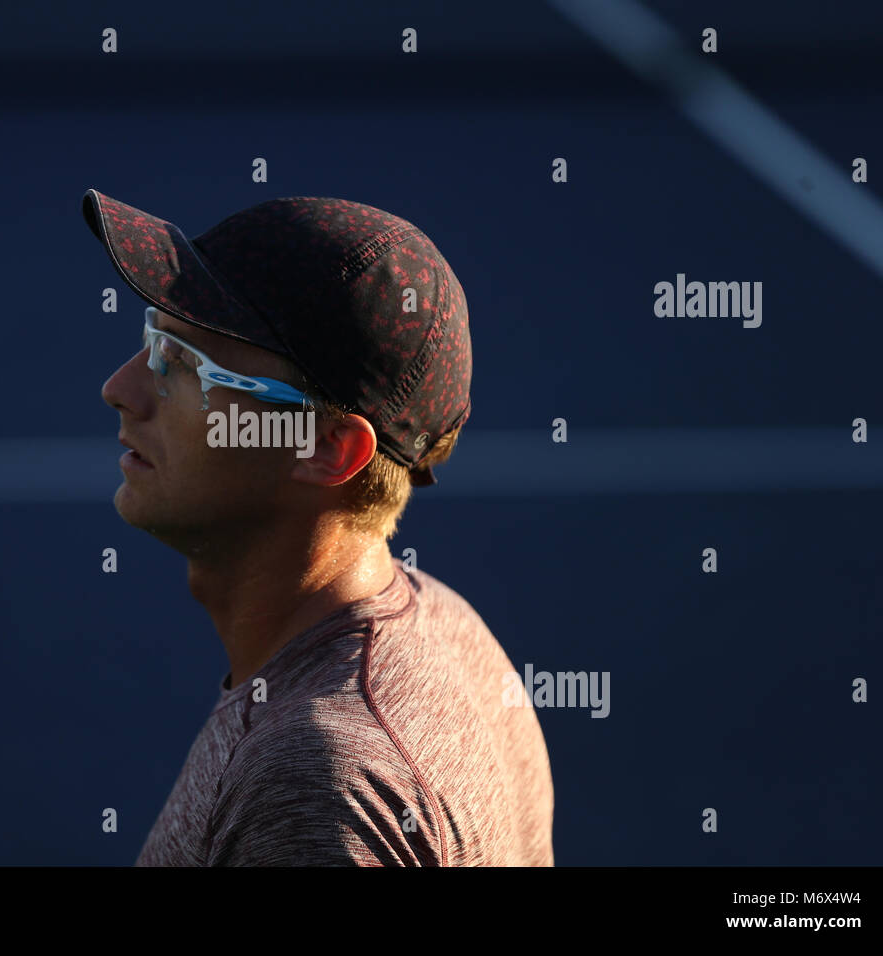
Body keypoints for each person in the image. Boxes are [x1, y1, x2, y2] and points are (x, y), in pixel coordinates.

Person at [86, 188, 554, 866]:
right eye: (153, 340)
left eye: (184, 364)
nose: (120, 388)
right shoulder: (446, 623)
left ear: (328, 446)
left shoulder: (311, 781)